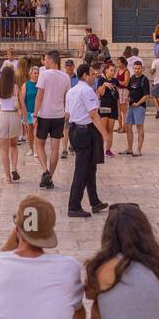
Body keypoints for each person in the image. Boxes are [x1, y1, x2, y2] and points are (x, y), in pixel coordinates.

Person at [66, 64, 109, 218]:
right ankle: (74, 205)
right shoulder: (86, 90)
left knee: (90, 168)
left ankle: (95, 201)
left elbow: (68, 113)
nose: (95, 75)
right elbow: (93, 114)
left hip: (75, 129)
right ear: (84, 75)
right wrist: (105, 134)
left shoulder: (71, 91)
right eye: (92, 73)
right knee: (82, 170)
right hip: (85, 131)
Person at [33, 51, 71, 189]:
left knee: (40, 145)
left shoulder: (44, 74)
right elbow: (67, 96)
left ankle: (45, 171)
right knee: (55, 148)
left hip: (44, 115)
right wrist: (67, 111)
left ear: (51, 60)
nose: (45, 62)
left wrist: (35, 115)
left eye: (46, 60)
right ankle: (50, 177)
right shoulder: (66, 76)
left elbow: (39, 97)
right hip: (58, 115)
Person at [0, 66, 23, 184]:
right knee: (14, 145)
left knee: (4, 149)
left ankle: (7, 177)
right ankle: (14, 167)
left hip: (2, 116)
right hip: (14, 116)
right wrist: (25, 119)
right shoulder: (16, 88)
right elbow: (22, 106)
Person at [124, 62, 151, 157]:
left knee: (139, 127)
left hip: (139, 107)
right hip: (131, 106)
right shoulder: (132, 78)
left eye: (138, 68)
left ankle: (139, 150)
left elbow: (147, 95)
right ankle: (129, 148)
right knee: (128, 126)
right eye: (135, 68)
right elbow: (129, 90)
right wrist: (127, 99)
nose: (136, 70)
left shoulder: (145, 80)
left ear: (142, 68)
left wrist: (138, 103)